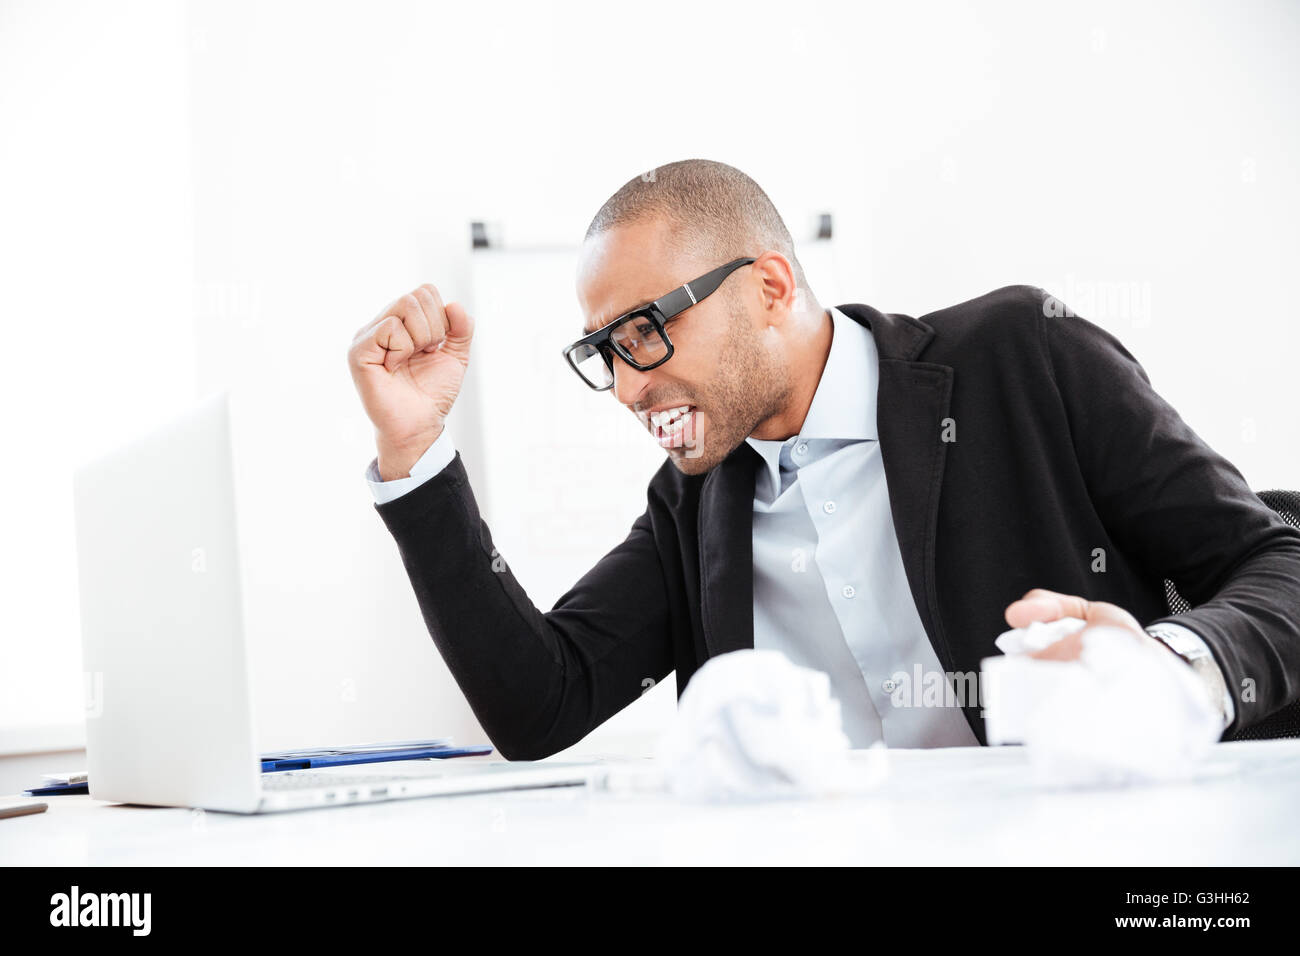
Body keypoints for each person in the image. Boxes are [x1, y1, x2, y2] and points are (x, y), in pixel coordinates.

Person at [347, 158, 1300, 759]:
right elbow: (538, 704)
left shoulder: (1018, 357)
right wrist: (415, 451)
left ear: (769, 285)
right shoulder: (696, 502)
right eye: (603, 353)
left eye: (642, 333)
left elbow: (1280, 564)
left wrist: (1175, 672)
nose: (629, 388)